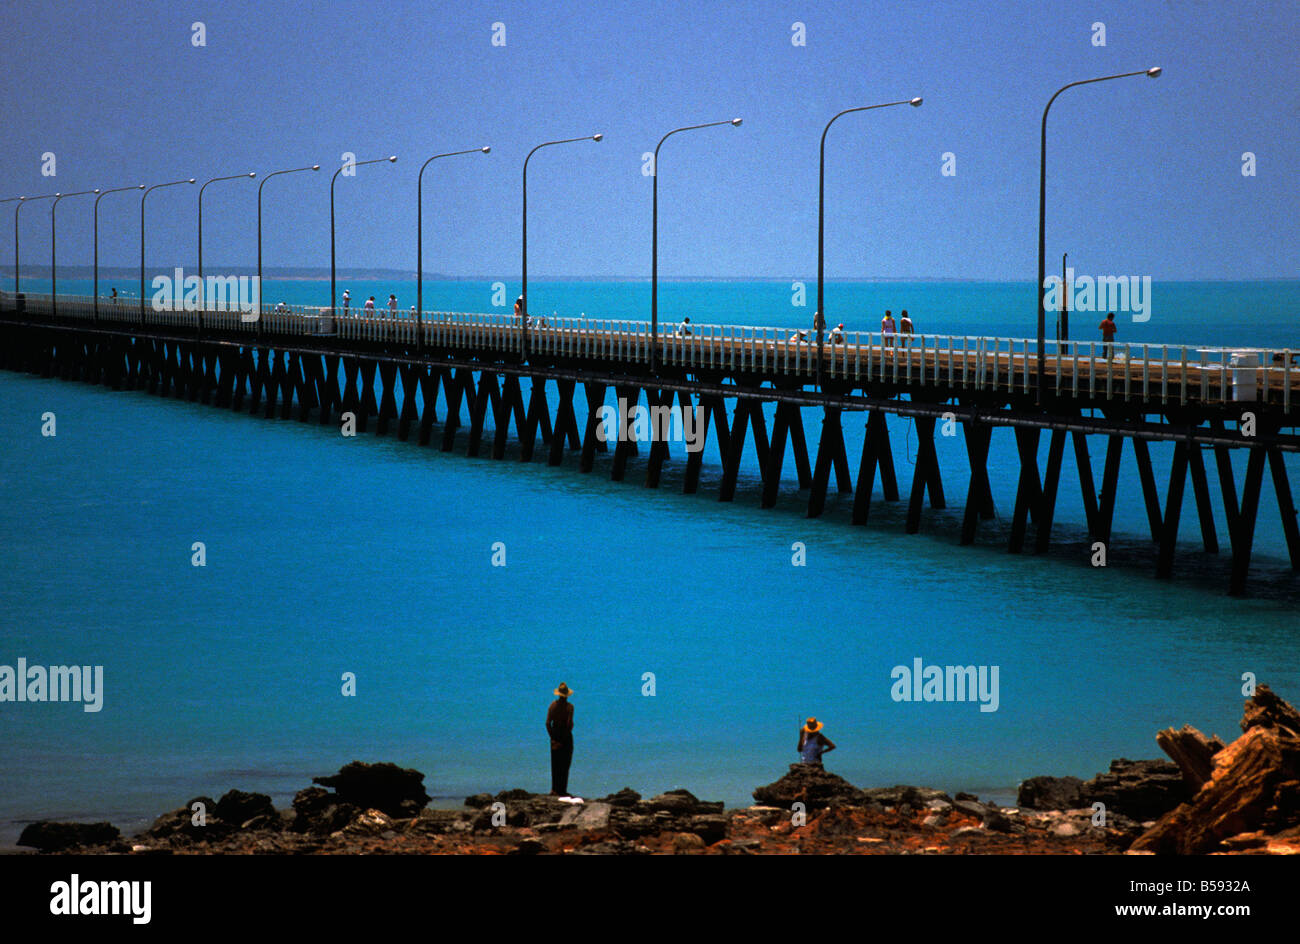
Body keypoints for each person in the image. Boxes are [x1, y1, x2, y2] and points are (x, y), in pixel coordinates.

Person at [546, 682, 575, 796]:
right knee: (565, 763)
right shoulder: (569, 707)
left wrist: (553, 737)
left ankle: (554, 789)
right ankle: (562, 789)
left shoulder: (553, 705)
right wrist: (564, 737)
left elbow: (548, 723)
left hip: (555, 733)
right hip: (565, 735)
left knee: (555, 763)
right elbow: (569, 724)